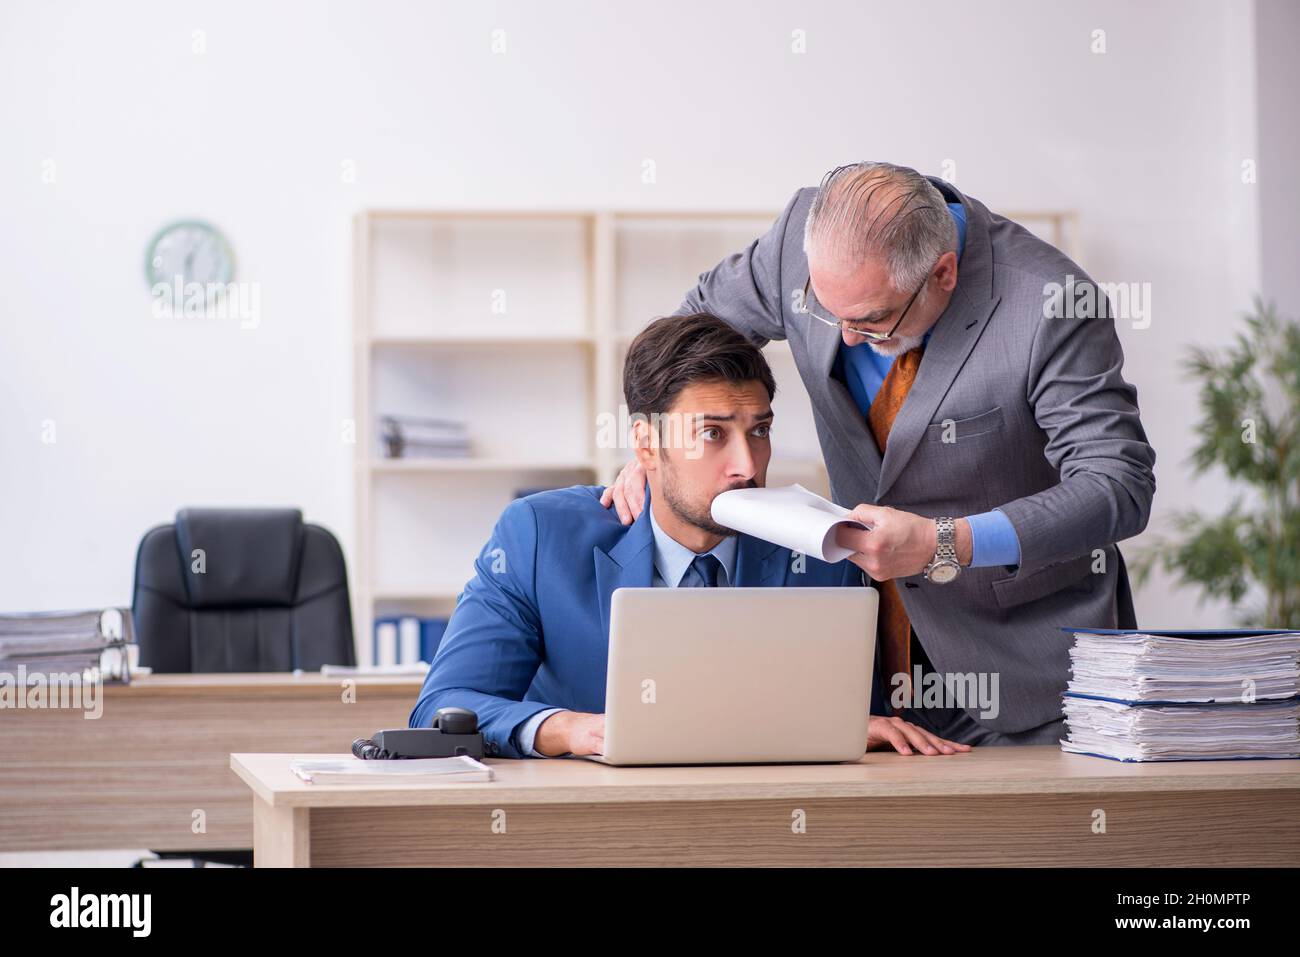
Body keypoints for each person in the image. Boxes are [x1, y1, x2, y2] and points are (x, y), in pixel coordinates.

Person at [602, 161, 1157, 747]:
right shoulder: (800, 239)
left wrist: (946, 542)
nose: (841, 336)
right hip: (865, 673)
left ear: (943, 274)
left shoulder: (1051, 304)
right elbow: (693, 330)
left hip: (1023, 671)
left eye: (870, 320)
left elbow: (1117, 484)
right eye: (824, 309)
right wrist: (659, 445)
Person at [411, 312, 970, 758]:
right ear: (647, 445)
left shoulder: (823, 549)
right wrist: (570, 730)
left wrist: (856, 726)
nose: (747, 464)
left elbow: (853, 720)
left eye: (760, 430)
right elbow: (443, 707)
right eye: (712, 434)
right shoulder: (537, 536)